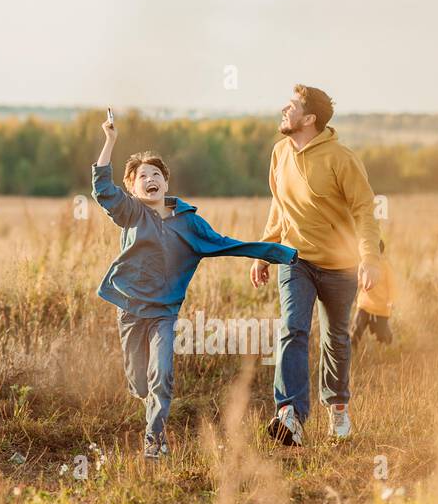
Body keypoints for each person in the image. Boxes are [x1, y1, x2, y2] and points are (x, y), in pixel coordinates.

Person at [94, 110, 296, 459]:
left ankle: (154, 440)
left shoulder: (190, 224)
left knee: (162, 377)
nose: (150, 178)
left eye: (156, 174)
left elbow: (227, 243)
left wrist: (282, 253)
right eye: (142, 175)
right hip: (129, 310)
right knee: (140, 383)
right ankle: (149, 410)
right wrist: (110, 140)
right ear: (132, 187)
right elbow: (101, 189)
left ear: (166, 183)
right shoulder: (131, 213)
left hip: (164, 315)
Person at [250, 85, 382, 445]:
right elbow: (279, 207)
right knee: (293, 328)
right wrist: (266, 251)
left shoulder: (342, 158)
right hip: (296, 259)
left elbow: (364, 211)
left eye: (290, 106)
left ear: (308, 119)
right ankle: (290, 414)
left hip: (341, 264)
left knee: (336, 338)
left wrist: (369, 258)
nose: (283, 109)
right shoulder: (279, 153)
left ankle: (337, 406)